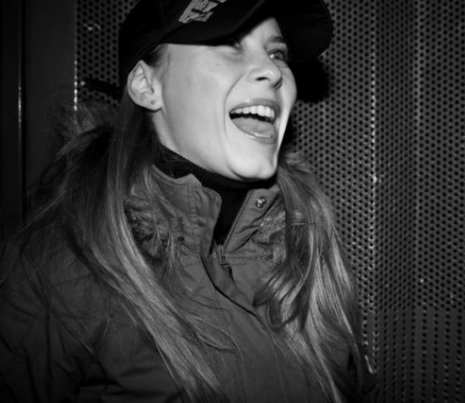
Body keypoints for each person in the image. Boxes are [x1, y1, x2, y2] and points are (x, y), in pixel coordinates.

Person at [0, 0, 375, 402]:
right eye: (229, 43)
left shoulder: (307, 240)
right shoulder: (63, 264)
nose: (272, 71)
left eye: (277, 53)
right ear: (147, 85)